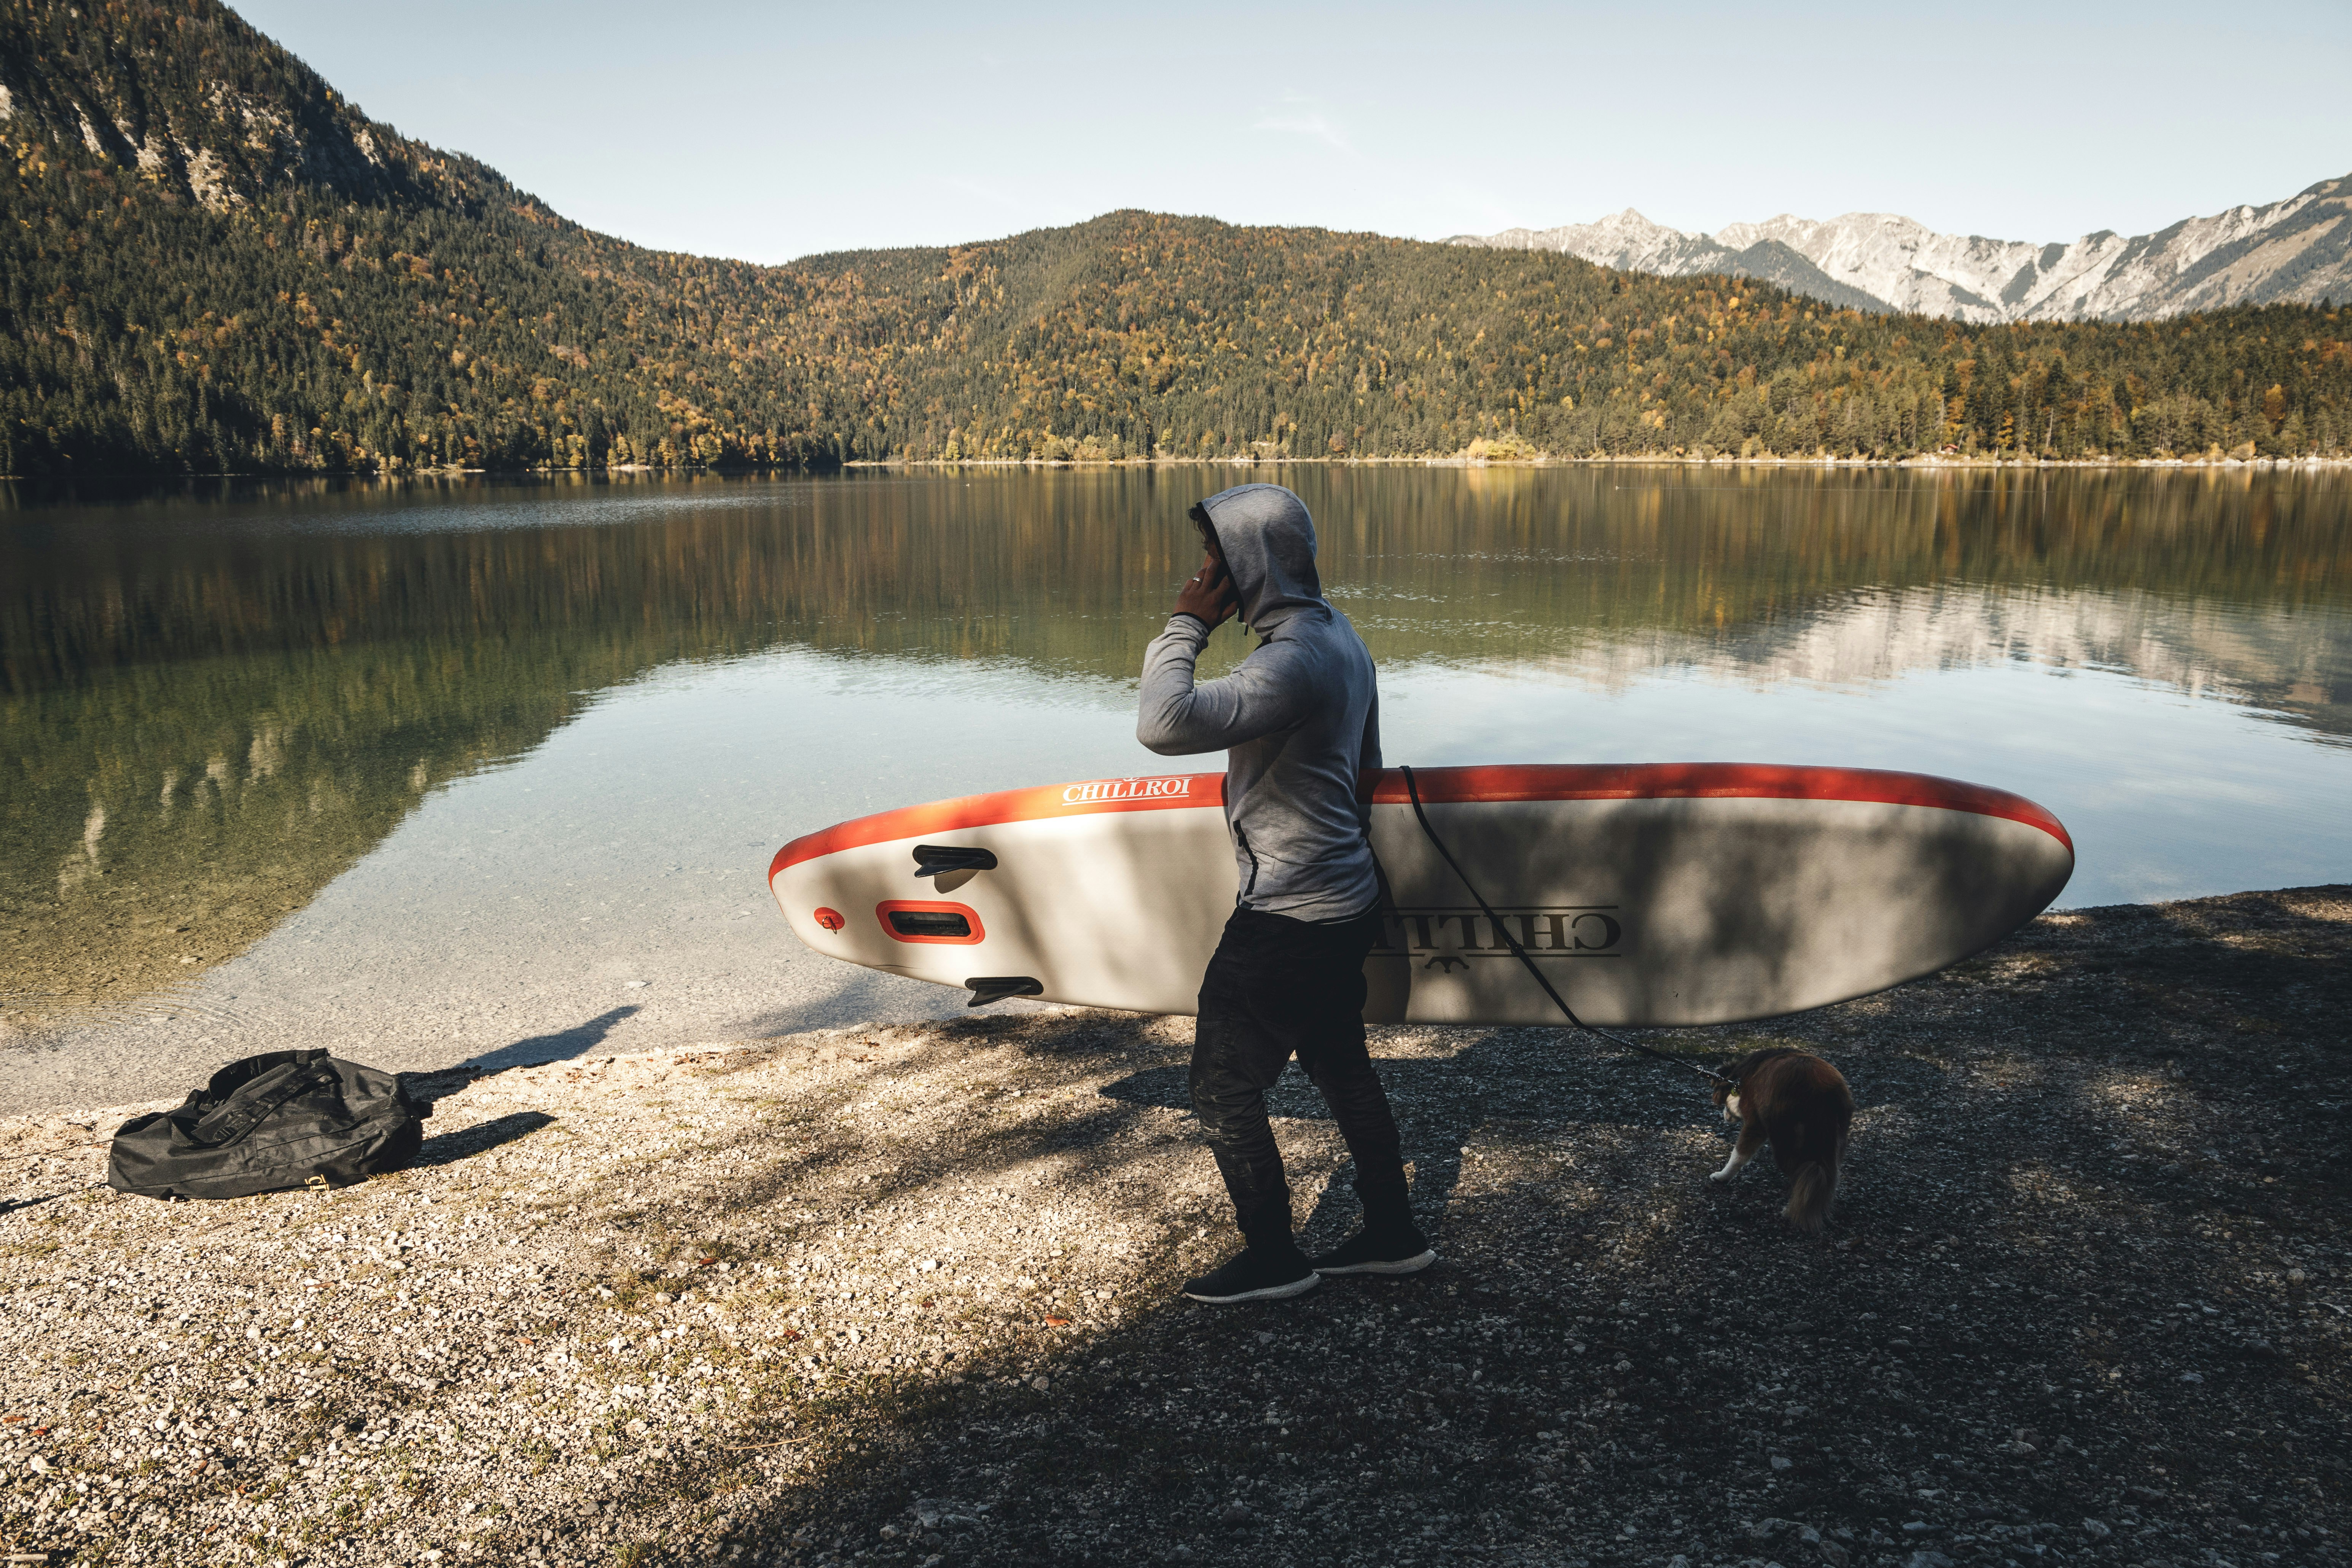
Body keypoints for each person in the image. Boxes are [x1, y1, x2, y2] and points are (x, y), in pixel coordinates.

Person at [1137, 483, 1435, 1304]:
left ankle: (1275, 1257)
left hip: (1289, 916)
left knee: (1221, 1087)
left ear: (1252, 565)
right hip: (1344, 897)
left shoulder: (1292, 661)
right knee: (1341, 1065)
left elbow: (1163, 725)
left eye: (1215, 557)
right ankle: (1392, 1232)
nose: (1204, 571)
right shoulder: (1341, 635)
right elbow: (1367, 767)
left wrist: (1186, 624)